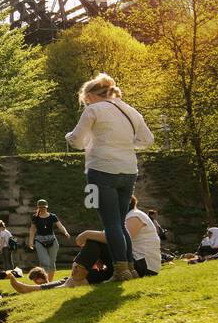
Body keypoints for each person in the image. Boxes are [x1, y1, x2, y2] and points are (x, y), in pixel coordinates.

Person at [64, 72, 154, 282]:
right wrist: (124, 145)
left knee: (111, 223)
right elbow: (147, 140)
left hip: (102, 170)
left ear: (93, 95)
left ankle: (121, 271)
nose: (86, 102)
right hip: (129, 170)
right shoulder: (130, 110)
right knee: (120, 222)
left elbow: (77, 141)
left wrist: (68, 136)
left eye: (86, 99)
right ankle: (129, 268)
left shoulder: (94, 110)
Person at [27, 199, 70, 276]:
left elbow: (60, 226)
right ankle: (45, 281)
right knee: (45, 262)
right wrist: (30, 241)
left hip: (52, 241)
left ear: (46, 207)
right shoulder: (35, 217)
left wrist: (65, 232)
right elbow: (32, 230)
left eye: (44, 207)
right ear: (38, 207)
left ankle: (50, 282)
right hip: (39, 240)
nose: (43, 209)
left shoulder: (52, 216)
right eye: (41, 207)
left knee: (52, 263)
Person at [125, 195, 162, 276]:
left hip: (145, 265)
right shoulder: (128, 216)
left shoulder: (134, 216)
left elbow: (121, 239)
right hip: (141, 263)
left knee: (99, 243)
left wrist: (89, 234)